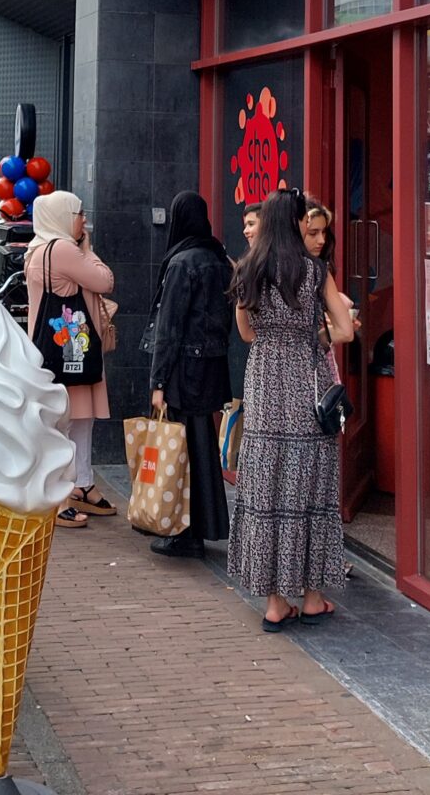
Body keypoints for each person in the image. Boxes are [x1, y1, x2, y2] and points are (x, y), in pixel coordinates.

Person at [229, 188, 358, 630]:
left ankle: (273, 604)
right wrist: (314, 337)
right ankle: (312, 596)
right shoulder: (315, 271)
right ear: (296, 222)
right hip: (306, 382)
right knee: (310, 486)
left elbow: (246, 333)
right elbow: (344, 331)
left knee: (267, 486)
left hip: (265, 385)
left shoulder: (249, 269)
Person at [22, 189, 118, 530]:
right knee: (69, 422)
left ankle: (81, 483)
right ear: (62, 217)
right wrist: (88, 250)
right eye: (78, 214)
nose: (84, 221)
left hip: (59, 348)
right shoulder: (62, 249)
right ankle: (62, 495)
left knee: (79, 419)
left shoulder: (37, 248)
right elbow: (104, 280)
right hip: (71, 350)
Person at [147, 191, 235, 558]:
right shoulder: (221, 260)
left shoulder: (181, 263)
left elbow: (169, 329)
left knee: (183, 452)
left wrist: (158, 382)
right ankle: (203, 525)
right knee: (202, 449)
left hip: (185, 370)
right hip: (213, 366)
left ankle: (184, 530)